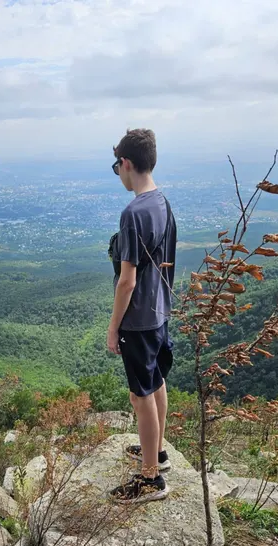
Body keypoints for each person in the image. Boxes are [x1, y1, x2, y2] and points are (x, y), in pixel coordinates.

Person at [107, 128, 177, 504]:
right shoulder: (162, 202)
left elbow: (127, 281)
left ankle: (150, 479)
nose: (118, 172)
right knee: (155, 381)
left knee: (140, 395)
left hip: (138, 319)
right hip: (160, 311)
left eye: (116, 166)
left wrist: (113, 327)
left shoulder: (133, 213)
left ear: (127, 163)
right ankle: (157, 452)